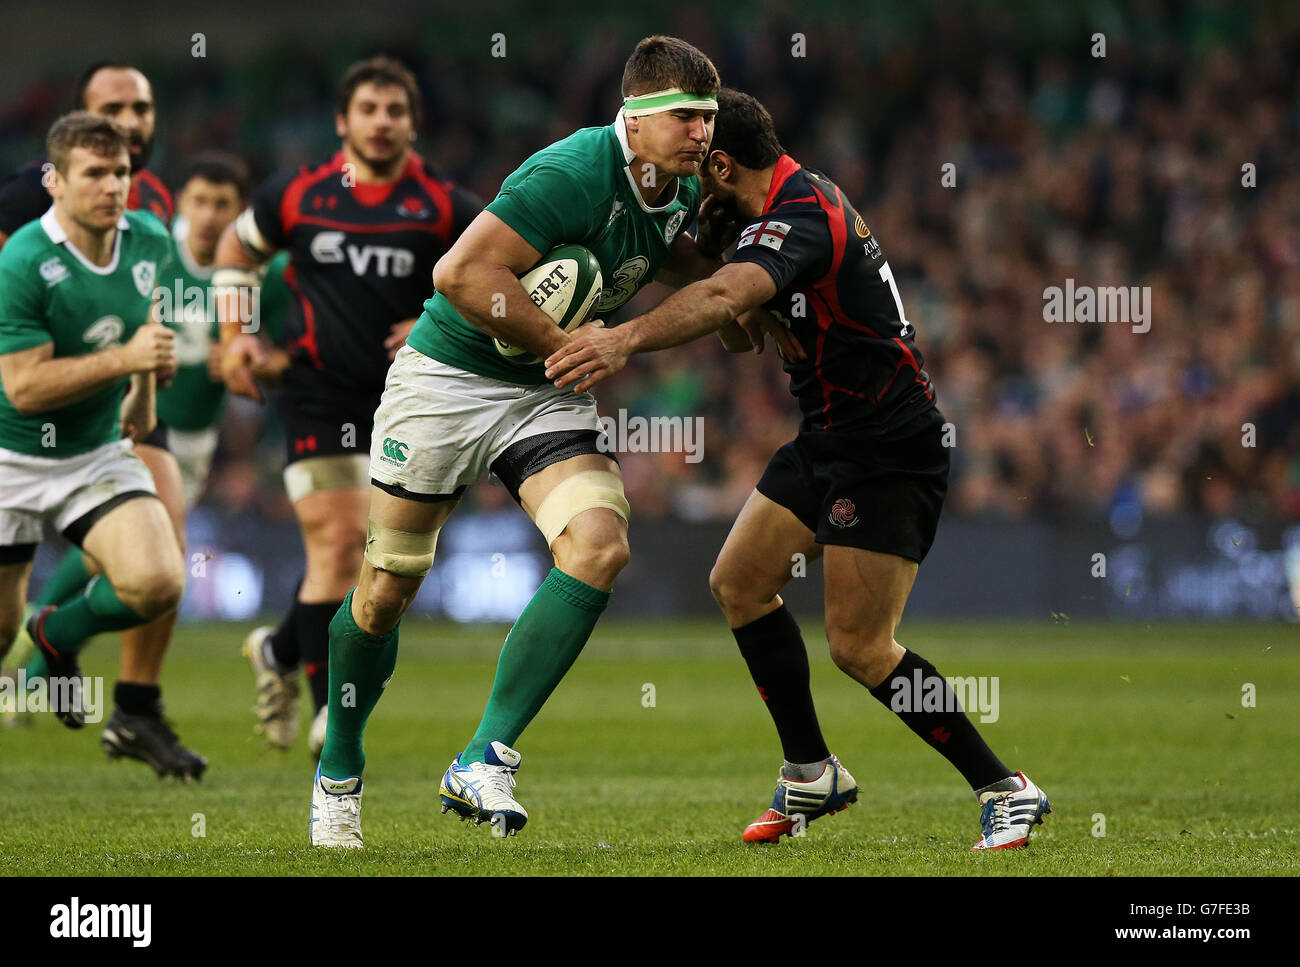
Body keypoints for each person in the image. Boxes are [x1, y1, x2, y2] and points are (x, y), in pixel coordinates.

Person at [545, 89, 1051, 851]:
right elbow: (745, 334)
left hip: (889, 447)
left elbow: (723, 299)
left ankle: (1004, 787)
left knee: (860, 646)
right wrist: (719, 266)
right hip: (829, 436)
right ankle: (812, 772)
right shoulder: (770, 209)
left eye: (700, 151)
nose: (692, 168)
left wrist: (622, 339)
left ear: (721, 160)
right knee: (740, 583)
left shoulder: (803, 211)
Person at [308, 35, 724, 848]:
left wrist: (733, 288)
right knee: (386, 587)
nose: (701, 135)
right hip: (447, 382)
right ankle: (340, 767)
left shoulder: (676, 183)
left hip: (538, 392)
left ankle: (483, 755)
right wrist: (562, 345)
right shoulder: (569, 171)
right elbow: (459, 275)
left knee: (599, 546)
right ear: (633, 121)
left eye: (707, 119)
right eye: (684, 118)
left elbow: (664, 254)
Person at [215, 56, 481, 757]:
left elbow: (499, 270)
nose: (383, 121)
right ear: (343, 121)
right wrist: (237, 333)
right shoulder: (298, 194)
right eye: (369, 108)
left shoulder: (445, 205)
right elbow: (234, 251)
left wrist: (436, 314)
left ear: (413, 123)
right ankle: (334, 713)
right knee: (336, 548)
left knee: (378, 561)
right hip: (316, 390)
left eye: (396, 110)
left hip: (412, 396)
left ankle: (276, 649)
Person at [0, 113, 199, 778]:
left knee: (158, 581)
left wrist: (143, 396)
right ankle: (30, 637)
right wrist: (125, 361)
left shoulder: (147, 239)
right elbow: (25, 387)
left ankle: (56, 632)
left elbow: (148, 312)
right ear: (55, 181)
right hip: (10, 458)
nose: (113, 186)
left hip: (92, 451)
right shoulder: (24, 258)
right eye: (95, 173)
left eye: (121, 173)